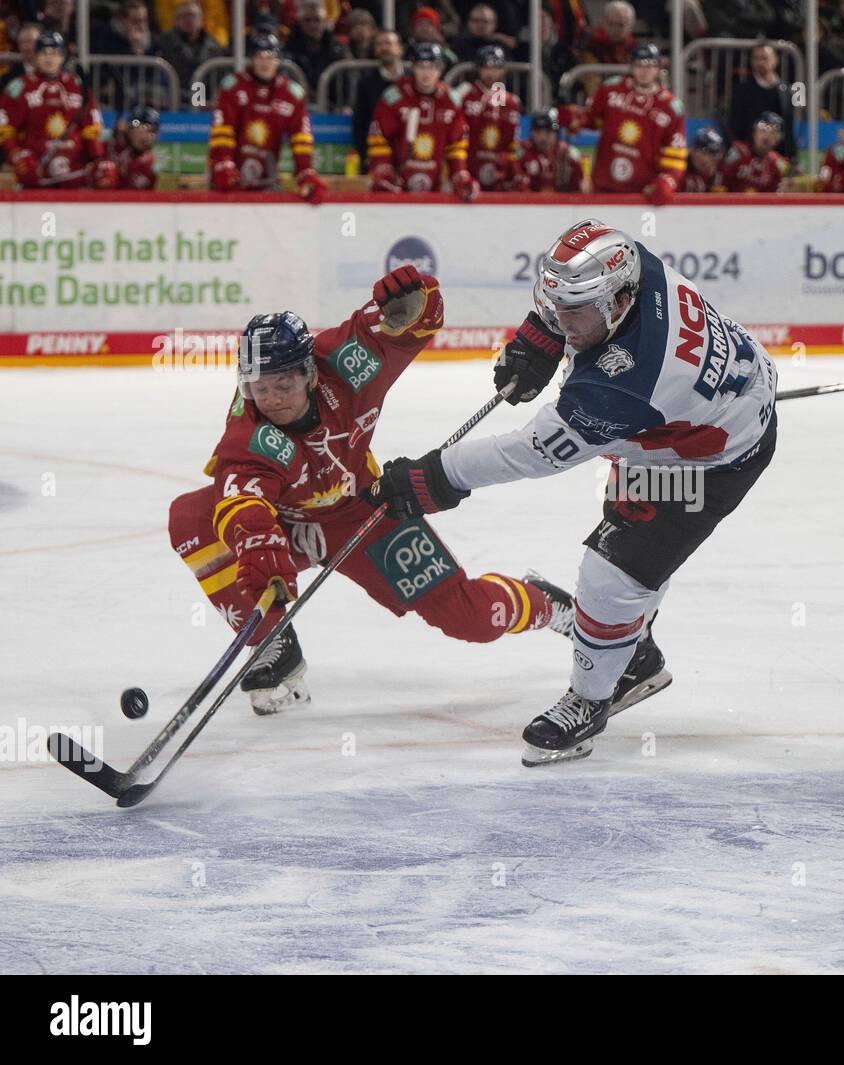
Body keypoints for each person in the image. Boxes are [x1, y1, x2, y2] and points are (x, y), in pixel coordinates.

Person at [370, 220, 779, 766]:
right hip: (693, 416)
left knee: (611, 575)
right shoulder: (627, 261)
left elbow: (530, 453)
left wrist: (430, 479)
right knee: (630, 562)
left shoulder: (621, 385)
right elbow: (563, 298)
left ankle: (590, 701)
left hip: (704, 460)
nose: (564, 319)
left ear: (619, 302)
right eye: (557, 306)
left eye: (575, 314)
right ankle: (633, 657)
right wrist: (540, 338)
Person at [168, 267, 573, 714]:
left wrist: (414, 298)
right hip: (284, 520)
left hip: (360, 510)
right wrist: (258, 547)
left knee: (470, 619)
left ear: (309, 374)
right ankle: (272, 643)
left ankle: (546, 602)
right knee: (191, 517)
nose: (273, 399)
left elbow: (411, 320)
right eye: (260, 388)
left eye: (283, 384)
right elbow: (242, 500)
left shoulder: (345, 364)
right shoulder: (249, 432)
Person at [208, 33, 327, 203]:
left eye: (270, 57)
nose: (265, 62)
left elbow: (301, 137)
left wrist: (305, 171)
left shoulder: (291, 94)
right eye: (260, 56)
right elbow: (222, 130)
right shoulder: (233, 87)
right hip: (230, 178)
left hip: (267, 179)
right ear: (252, 60)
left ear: (278, 61)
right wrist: (223, 163)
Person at [569, 42, 686, 204]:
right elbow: (590, 120)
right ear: (631, 66)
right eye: (639, 65)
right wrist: (573, 119)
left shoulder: (671, 108)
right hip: (602, 186)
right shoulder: (611, 90)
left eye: (650, 66)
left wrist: (667, 181)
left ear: (658, 68)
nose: (644, 72)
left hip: (641, 194)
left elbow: (676, 156)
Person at [0, 31, 116, 189]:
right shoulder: (19, 87)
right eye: (44, 53)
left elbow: (92, 128)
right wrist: (17, 156)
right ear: (35, 55)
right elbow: (5, 128)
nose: (49, 58)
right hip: (36, 174)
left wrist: (97, 159)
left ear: (63, 57)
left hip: (76, 173)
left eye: (55, 53)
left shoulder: (77, 86)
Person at [366, 41, 476, 199]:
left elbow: (456, 145)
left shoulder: (451, 101)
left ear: (441, 69)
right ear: (413, 67)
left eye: (432, 67)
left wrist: (459, 174)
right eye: (422, 66)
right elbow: (379, 138)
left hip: (436, 185)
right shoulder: (395, 97)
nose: (427, 73)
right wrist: (384, 169)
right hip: (395, 186)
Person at [460, 44, 521, 192]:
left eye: (495, 68)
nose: (490, 73)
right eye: (486, 67)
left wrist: (512, 171)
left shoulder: (512, 102)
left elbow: (513, 144)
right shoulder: (464, 94)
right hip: (469, 166)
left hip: (499, 173)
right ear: (478, 68)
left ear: (502, 70)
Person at [726, 43, 797, 162]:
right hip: (748, 158)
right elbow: (735, 125)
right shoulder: (742, 90)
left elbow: (788, 129)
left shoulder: (785, 90)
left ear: (775, 60)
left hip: (777, 158)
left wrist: (792, 157)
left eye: (764, 58)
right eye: (756, 58)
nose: (760, 62)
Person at [351, 29, 404, 170]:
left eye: (389, 43)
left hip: (410, 155)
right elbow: (360, 123)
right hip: (378, 153)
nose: (384, 48)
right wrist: (366, 154)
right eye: (379, 44)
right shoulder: (366, 83)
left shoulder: (413, 79)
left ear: (399, 49)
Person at [156, 1, 226, 99]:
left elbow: (221, 78)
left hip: (206, 103)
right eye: (183, 16)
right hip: (175, 103)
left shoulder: (214, 46)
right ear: (175, 20)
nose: (188, 20)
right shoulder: (163, 43)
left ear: (201, 19)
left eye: (192, 15)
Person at [512, 107, 583, 192]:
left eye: (548, 132)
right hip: (528, 203)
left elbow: (579, 191)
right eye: (538, 132)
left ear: (557, 134)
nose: (543, 138)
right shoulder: (522, 152)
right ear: (531, 133)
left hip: (560, 204)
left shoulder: (569, 155)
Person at [284, 0, 348, 94]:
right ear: (299, 22)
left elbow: (349, 79)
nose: (313, 25)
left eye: (317, 19)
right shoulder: (289, 49)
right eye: (307, 20)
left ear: (325, 21)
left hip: (332, 104)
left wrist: (346, 105)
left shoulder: (337, 48)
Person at [720, 111, 791, 193]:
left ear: (777, 140)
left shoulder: (778, 163)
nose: (766, 136)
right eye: (763, 130)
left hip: (761, 205)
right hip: (732, 204)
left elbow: (780, 193)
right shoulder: (737, 152)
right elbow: (721, 180)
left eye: (773, 133)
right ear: (754, 132)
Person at [109, 105, 159, 189]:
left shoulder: (149, 161)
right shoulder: (112, 147)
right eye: (142, 130)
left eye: (152, 131)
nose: (147, 137)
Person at [681, 126, 724, 192]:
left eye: (715, 154)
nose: (711, 158)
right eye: (707, 153)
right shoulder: (679, 168)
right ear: (693, 151)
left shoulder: (722, 172)